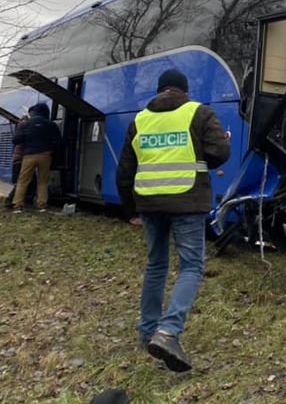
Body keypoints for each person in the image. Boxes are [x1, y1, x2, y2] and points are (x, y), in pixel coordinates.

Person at [116, 68, 230, 372]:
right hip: (187, 200)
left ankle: (147, 333)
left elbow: (125, 169)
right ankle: (168, 333)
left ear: (160, 89)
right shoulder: (199, 113)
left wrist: (130, 210)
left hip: (150, 203)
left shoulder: (140, 119)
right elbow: (219, 153)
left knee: (156, 265)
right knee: (191, 266)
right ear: (184, 90)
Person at [11, 103, 62, 213]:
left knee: (23, 181)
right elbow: (58, 142)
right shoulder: (50, 124)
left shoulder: (26, 124)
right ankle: (42, 205)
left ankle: (18, 205)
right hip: (45, 155)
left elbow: (16, 140)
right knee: (43, 181)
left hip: (29, 155)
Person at [4, 115, 36, 209]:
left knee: (24, 182)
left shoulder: (20, 132)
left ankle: (17, 201)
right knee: (25, 182)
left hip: (18, 160)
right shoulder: (23, 134)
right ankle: (11, 201)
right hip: (21, 160)